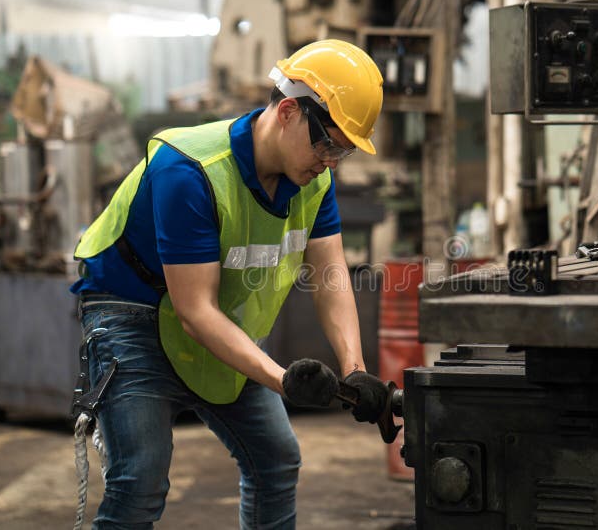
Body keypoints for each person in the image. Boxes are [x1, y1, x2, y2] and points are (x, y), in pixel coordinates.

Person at [71, 39, 389, 529]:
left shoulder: (313, 182)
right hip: (133, 311)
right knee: (140, 483)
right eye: (328, 143)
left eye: (342, 151)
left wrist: (355, 370)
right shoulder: (190, 170)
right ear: (288, 111)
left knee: (276, 460)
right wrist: (284, 381)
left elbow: (330, 274)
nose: (330, 161)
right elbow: (195, 312)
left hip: (218, 317)